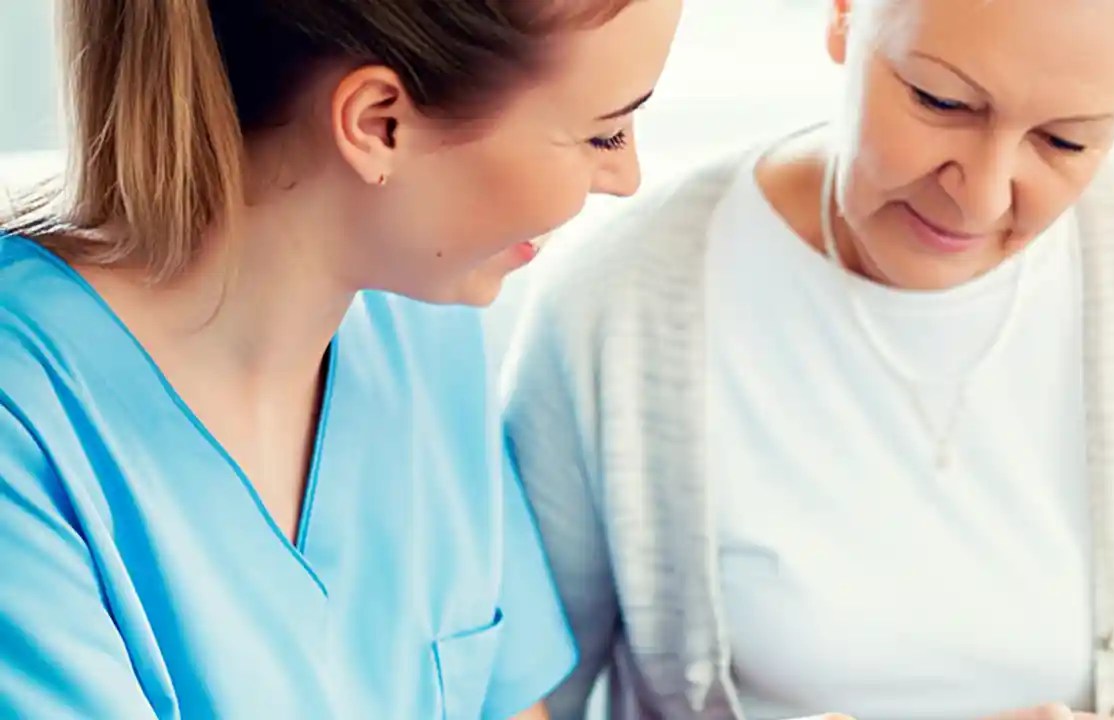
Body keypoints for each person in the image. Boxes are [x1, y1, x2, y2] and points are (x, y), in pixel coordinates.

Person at [503, 0, 1114, 718]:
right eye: (941, 102)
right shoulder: (616, 304)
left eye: (1066, 141)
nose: (979, 197)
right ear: (843, 15)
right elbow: (512, 700)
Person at [0, 0, 682, 717]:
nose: (627, 178)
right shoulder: (29, 425)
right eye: (603, 135)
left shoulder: (424, 328)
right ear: (377, 124)